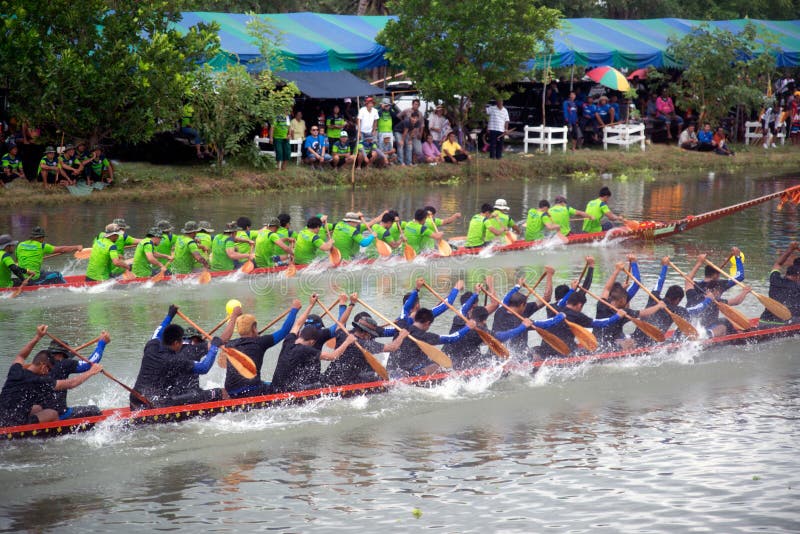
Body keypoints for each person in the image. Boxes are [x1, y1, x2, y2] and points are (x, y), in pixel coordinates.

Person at [0, 325, 103, 427]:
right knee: (52, 413)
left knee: (38, 409)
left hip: (2, 418)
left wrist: (37, 337)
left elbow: (21, 356)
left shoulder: (15, 370)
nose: (48, 372)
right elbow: (71, 383)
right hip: (14, 423)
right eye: (48, 369)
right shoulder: (39, 381)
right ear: (43, 366)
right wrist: (91, 372)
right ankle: (55, 436)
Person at [130, 305, 230, 409]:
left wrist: (170, 315)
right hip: (157, 404)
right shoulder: (175, 360)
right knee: (220, 392)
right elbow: (204, 368)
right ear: (176, 343)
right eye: (181, 341)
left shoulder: (151, 345)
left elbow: (158, 332)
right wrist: (214, 347)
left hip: (135, 399)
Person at [270, 295, 357, 393]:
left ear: (300, 333)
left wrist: (310, 305)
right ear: (312, 342)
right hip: (297, 388)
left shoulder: (288, 340)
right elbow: (334, 353)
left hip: (276, 387)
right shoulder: (317, 338)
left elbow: (297, 324)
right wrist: (347, 342)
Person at [224, 300, 301, 398]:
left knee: (261, 382)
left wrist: (233, 317)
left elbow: (223, 338)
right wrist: (294, 310)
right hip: (252, 391)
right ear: (254, 328)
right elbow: (284, 331)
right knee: (284, 387)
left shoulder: (229, 344)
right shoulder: (260, 342)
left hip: (232, 393)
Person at [322, 314, 408, 386]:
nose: (371, 337)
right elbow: (393, 347)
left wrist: (351, 304)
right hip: (345, 382)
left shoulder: (343, 334)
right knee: (380, 378)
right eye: (370, 334)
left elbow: (341, 322)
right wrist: (402, 335)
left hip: (329, 378)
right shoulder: (365, 344)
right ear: (365, 333)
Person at [536, 289, 625, 359]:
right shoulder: (576, 316)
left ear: (567, 302)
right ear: (579, 305)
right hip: (562, 352)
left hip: (545, 348)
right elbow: (599, 323)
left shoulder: (555, 310)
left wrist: (572, 289)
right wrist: (617, 316)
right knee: (597, 351)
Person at [387, 307, 473, 378]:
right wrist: (468, 327)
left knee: (427, 360)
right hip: (407, 374)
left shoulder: (401, 328)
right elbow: (452, 338)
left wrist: (416, 289)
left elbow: (405, 308)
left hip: (391, 370)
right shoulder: (424, 336)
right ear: (428, 323)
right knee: (438, 366)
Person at [491, 269, 555, 355]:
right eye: (525, 305)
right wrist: (560, 316)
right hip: (518, 357)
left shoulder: (500, 309)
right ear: (522, 305)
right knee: (539, 353)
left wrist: (517, 286)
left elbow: (507, 298)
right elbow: (545, 323)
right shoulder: (523, 321)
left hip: (496, 353)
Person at [44, 333, 108, 419]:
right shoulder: (64, 364)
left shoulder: (42, 364)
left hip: (43, 413)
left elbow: (68, 358)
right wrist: (102, 343)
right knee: (94, 409)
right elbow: (90, 363)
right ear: (61, 355)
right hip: (60, 414)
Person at [16, 226, 81, 285]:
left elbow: (17, 262)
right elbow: (62, 249)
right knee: (57, 274)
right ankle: (69, 288)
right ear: (41, 238)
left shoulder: (20, 245)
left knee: (42, 271)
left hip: (20, 278)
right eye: (43, 238)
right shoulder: (42, 246)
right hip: (32, 280)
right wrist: (76, 247)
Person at [759, 243, 800, 326]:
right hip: (783, 325)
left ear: (786, 273)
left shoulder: (775, 279)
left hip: (763, 322)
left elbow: (777, 264)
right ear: (798, 276)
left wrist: (790, 249)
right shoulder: (797, 287)